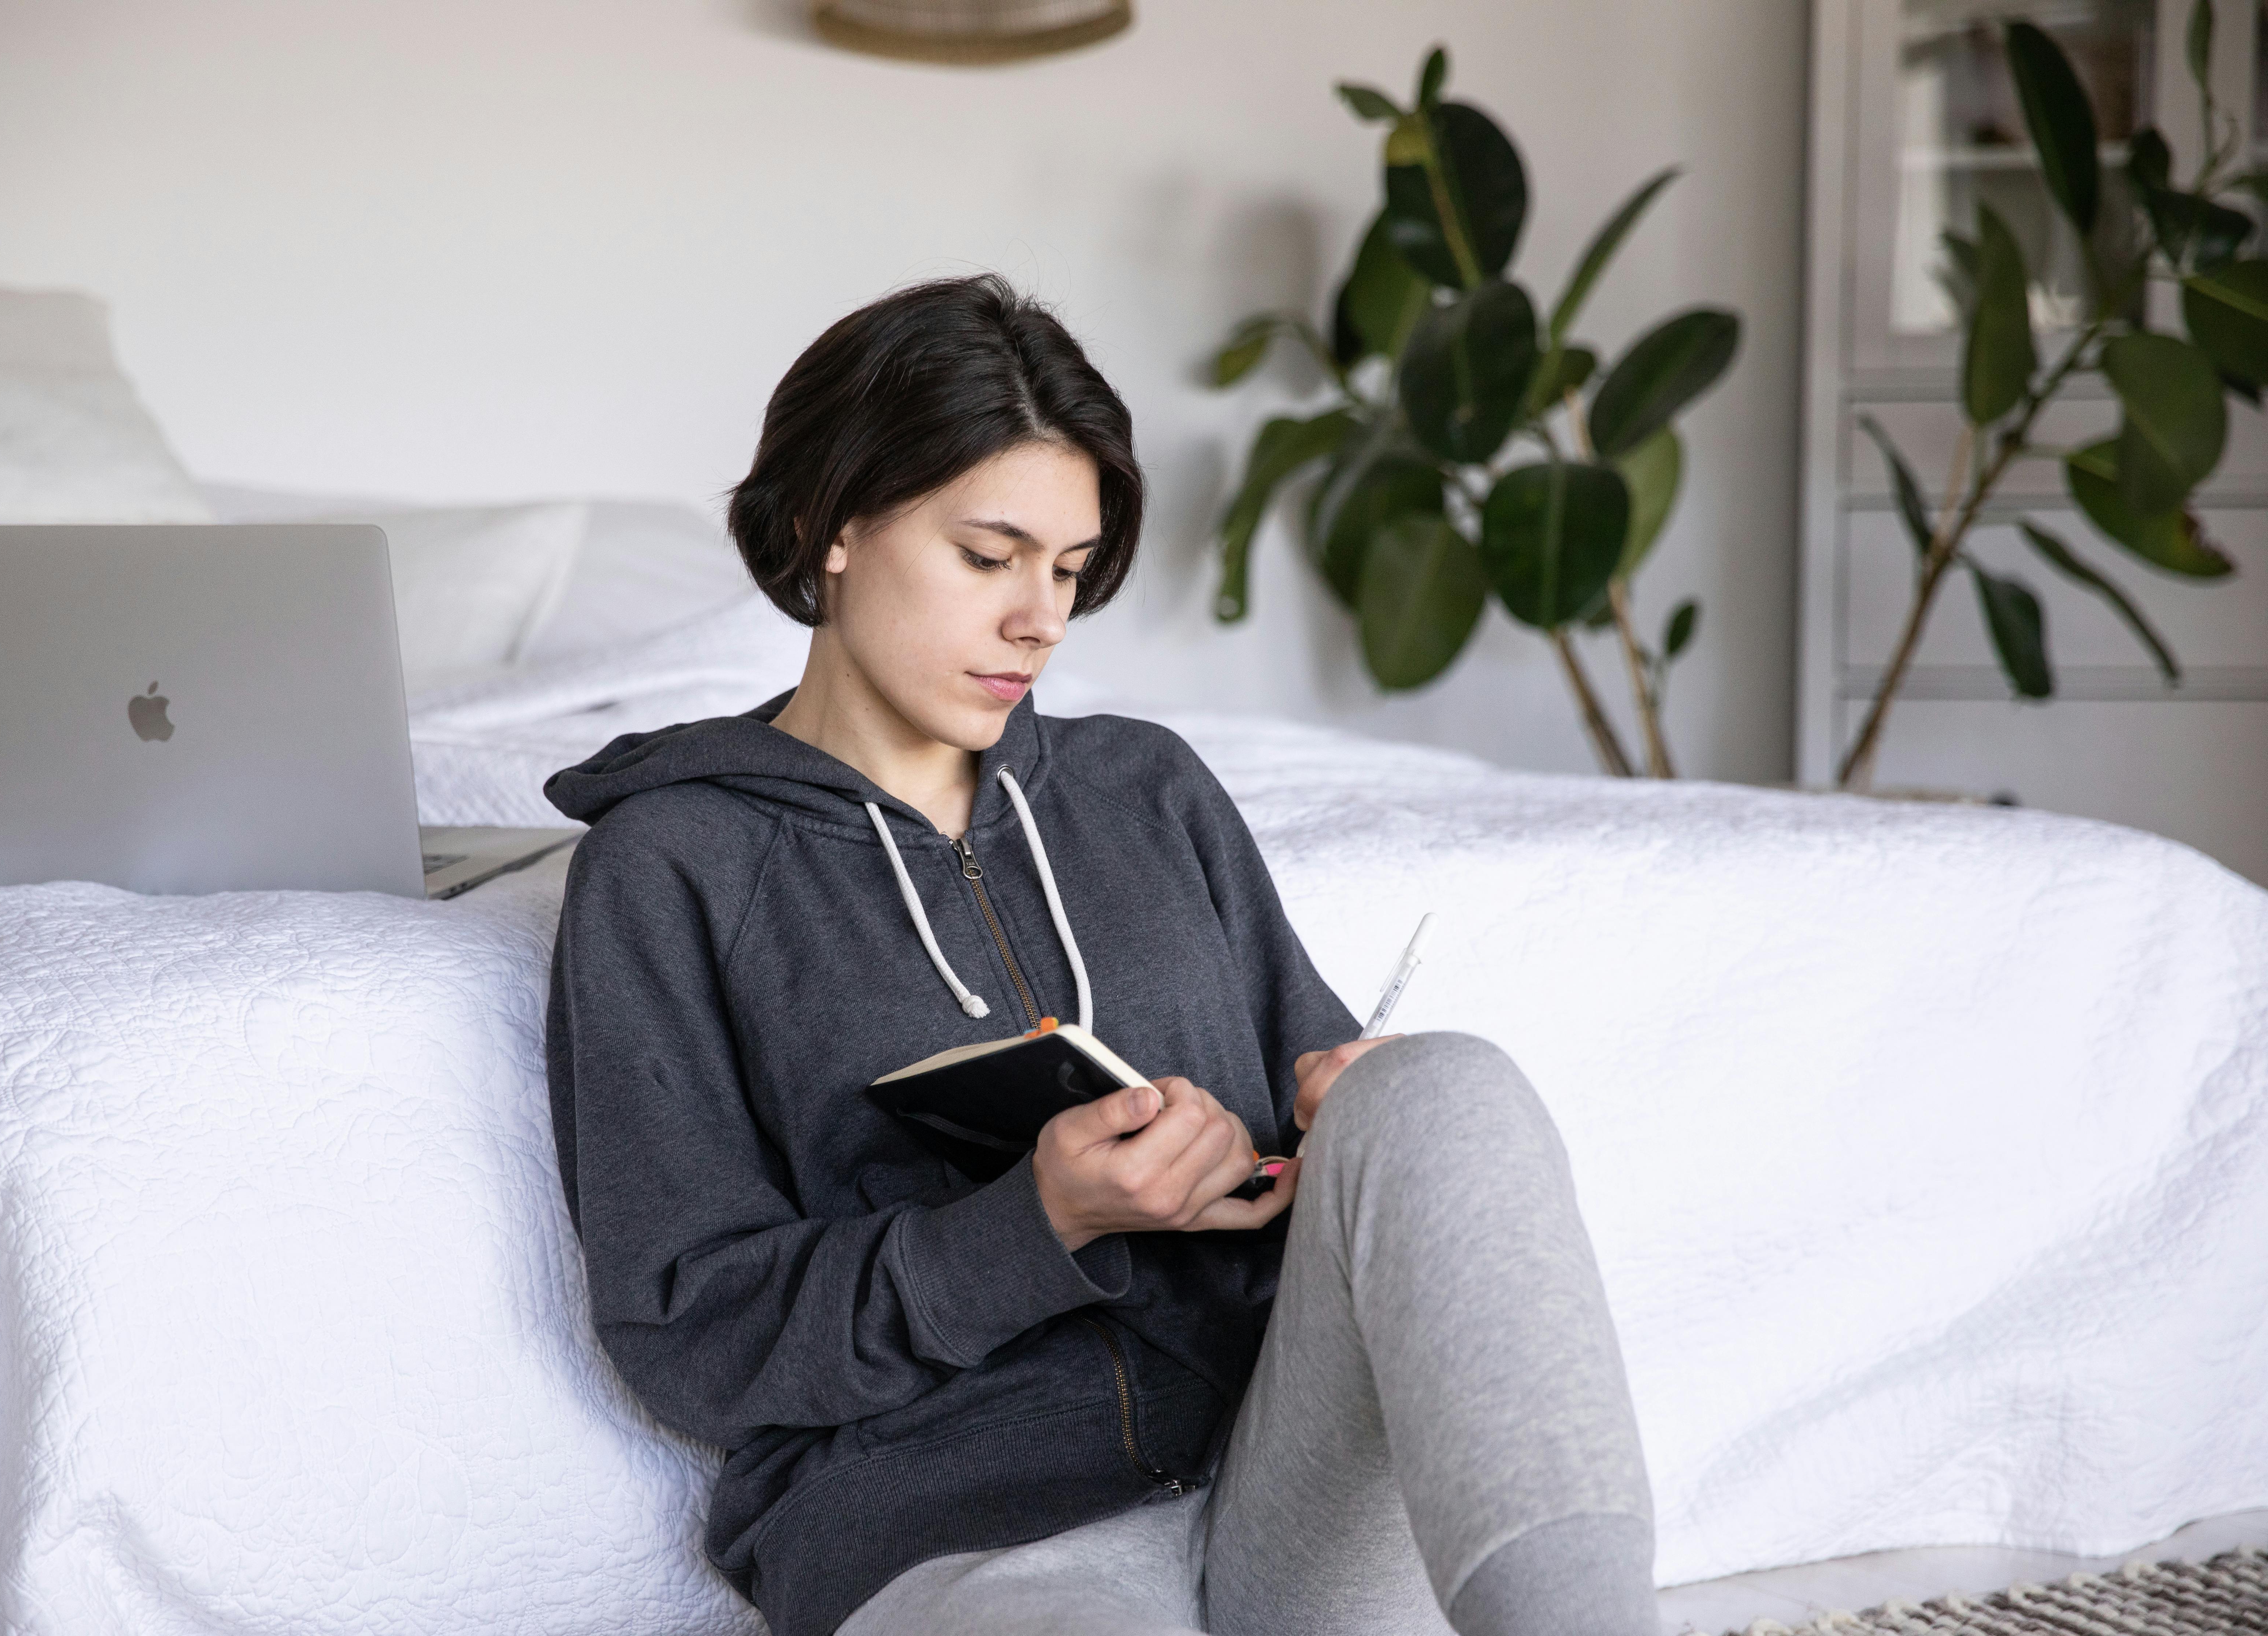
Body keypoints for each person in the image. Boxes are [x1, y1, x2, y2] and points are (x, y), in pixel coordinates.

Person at [543, 275, 1660, 1636]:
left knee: (1441, 1085)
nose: (1042, 620)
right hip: (956, 1535)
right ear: (824, 527)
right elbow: (692, 1338)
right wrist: (1041, 1224)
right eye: (987, 555)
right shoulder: (671, 868)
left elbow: (1332, 1162)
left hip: (1279, 1488)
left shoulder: (1147, 792)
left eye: (1068, 570)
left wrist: (1332, 1114)